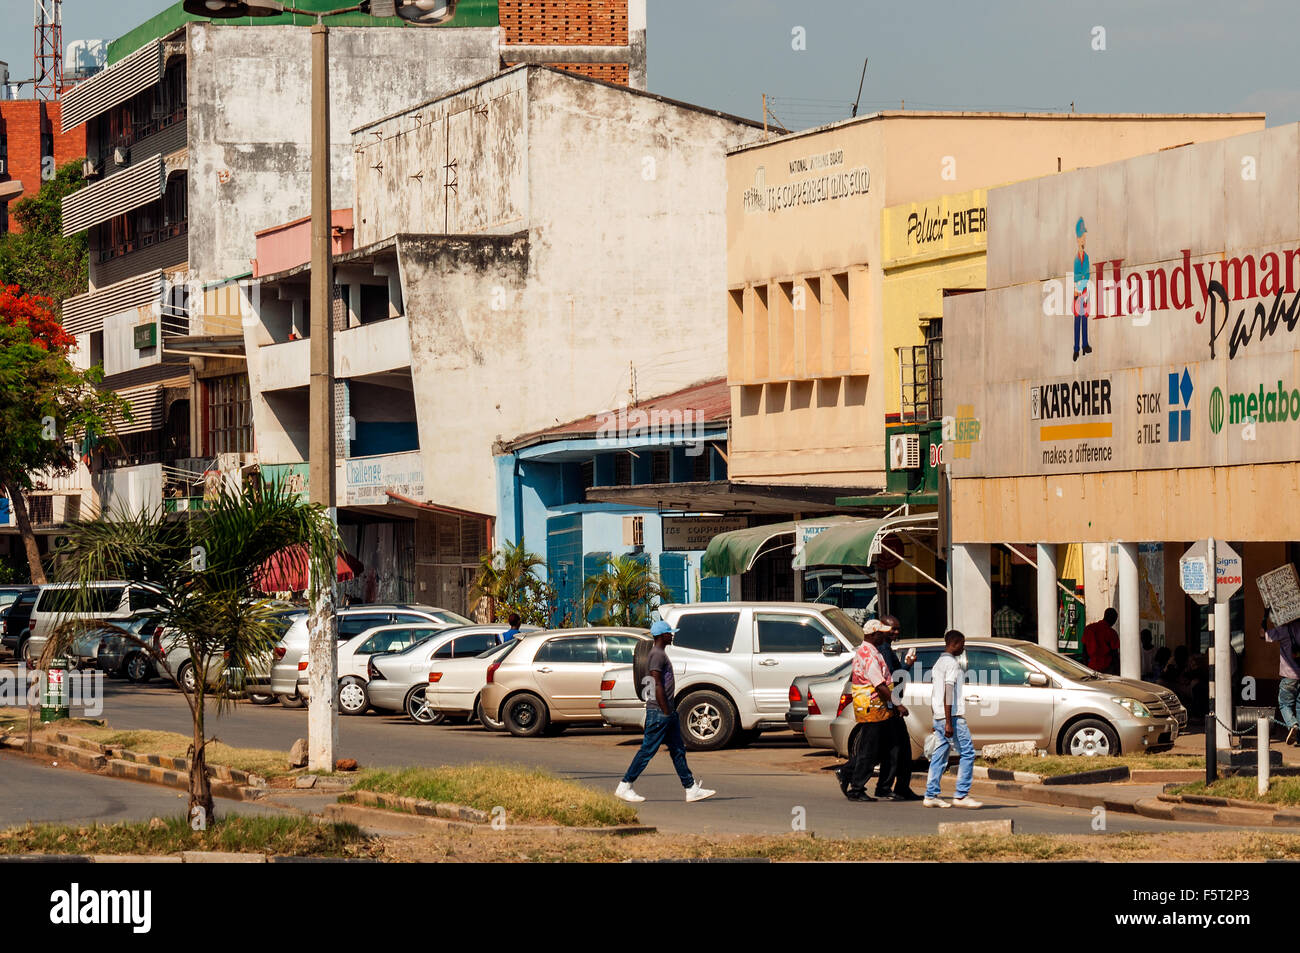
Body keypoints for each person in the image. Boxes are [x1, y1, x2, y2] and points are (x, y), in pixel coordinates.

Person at [615, 621, 715, 804]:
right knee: (647, 750)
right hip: (660, 711)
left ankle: (691, 788)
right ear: (662, 636)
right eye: (669, 633)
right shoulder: (657, 655)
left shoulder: (659, 654)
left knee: (678, 750)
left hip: (666, 711)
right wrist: (666, 710)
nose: (672, 635)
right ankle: (625, 785)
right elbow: (657, 683)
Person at [840, 619, 905, 802]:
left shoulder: (874, 651)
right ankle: (856, 788)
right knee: (869, 751)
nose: (884, 635)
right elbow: (879, 685)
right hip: (872, 708)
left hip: (881, 708)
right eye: (881, 633)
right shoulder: (867, 654)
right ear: (873, 634)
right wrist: (898, 704)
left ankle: (883, 787)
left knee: (890, 749)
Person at [924, 629, 981, 809]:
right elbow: (948, 693)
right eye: (962, 645)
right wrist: (949, 721)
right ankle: (961, 795)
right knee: (968, 752)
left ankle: (931, 795)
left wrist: (937, 718)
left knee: (940, 754)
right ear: (954, 644)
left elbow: (935, 693)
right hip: (952, 716)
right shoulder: (952, 664)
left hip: (939, 715)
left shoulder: (938, 663)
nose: (963, 649)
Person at [872, 615, 921, 801]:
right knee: (893, 750)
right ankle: (850, 772)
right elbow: (891, 680)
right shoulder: (883, 649)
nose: (896, 632)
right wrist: (898, 705)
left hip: (891, 705)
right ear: (883, 629)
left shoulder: (886, 648)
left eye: (898, 629)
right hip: (890, 706)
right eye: (893, 629)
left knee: (893, 750)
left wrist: (907, 665)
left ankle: (894, 788)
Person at [1261, 611, 1300, 745]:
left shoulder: (1283, 630)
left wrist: (1264, 617)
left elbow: (1262, 635)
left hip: (1288, 675)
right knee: (1299, 706)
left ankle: (1292, 724)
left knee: (1285, 704)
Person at [1072, 216, 1093, 362]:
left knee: (1084, 318)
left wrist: (1081, 281)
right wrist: (1078, 286)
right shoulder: (1075, 259)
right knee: (1077, 320)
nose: (1084, 240)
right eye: (1082, 237)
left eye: (1085, 237)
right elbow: (1076, 275)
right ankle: (1076, 348)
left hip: (1084, 291)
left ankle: (1085, 344)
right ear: (1078, 239)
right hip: (1078, 292)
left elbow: (1086, 274)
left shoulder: (1086, 257)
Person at [1083, 608, 1120, 674]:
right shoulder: (1112, 633)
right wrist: (1118, 671)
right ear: (1113, 619)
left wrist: (1085, 667)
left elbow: (1084, 650)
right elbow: (1115, 655)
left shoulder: (1089, 628)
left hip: (1091, 666)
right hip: (1106, 668)